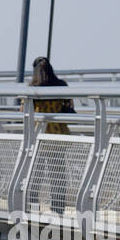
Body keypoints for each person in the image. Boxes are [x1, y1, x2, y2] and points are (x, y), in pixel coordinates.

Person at [27, 55, 76, 213]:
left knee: (35, 174)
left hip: (39, 137)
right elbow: (69, 106)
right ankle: (58, 208)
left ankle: (33, 207)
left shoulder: (32, 88)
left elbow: (23, 110)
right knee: (58, 175)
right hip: (58, 135)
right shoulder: (61, 85)